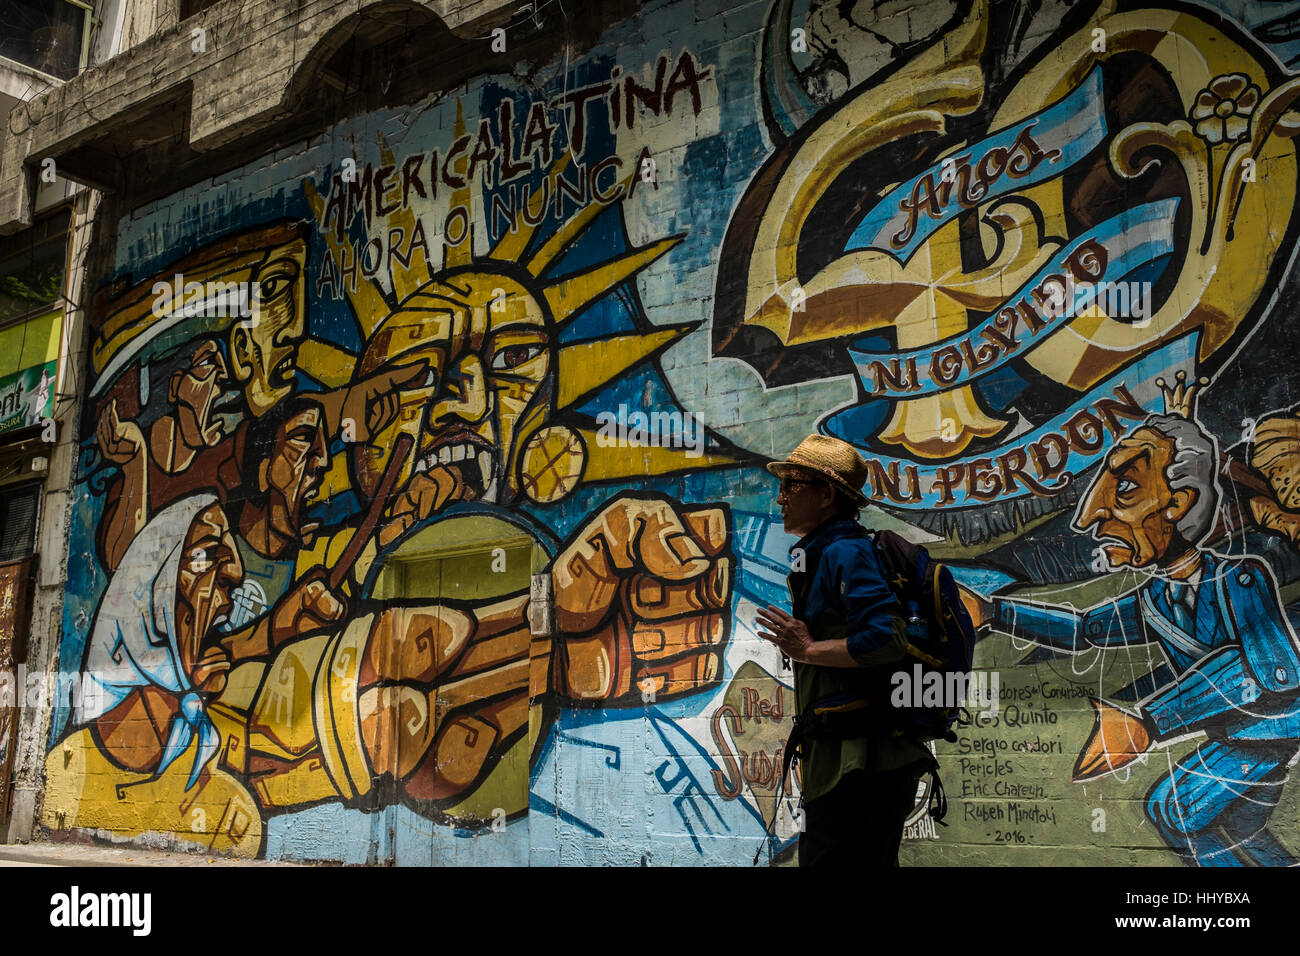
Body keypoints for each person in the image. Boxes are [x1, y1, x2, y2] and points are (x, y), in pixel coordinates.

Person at [960, 392, 1300, 866]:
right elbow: (1085, 630)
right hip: (1234, 735)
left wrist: (1150, 720)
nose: (1091, 518)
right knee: (1240, 831)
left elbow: (1269, 668)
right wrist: (996, 612)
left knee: (1174, 808)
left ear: (1179, 504)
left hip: (1266, 732)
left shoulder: (1240, 576)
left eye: (1125, 491)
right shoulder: (1154, 598)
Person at [756, 434, 930, 866]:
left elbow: (887, 638)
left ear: (827, 494)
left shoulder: (846, 551)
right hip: (845, 760)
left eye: (791, 485)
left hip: (861, 765)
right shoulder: (822, 553)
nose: (780, 497)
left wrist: (808, 649)